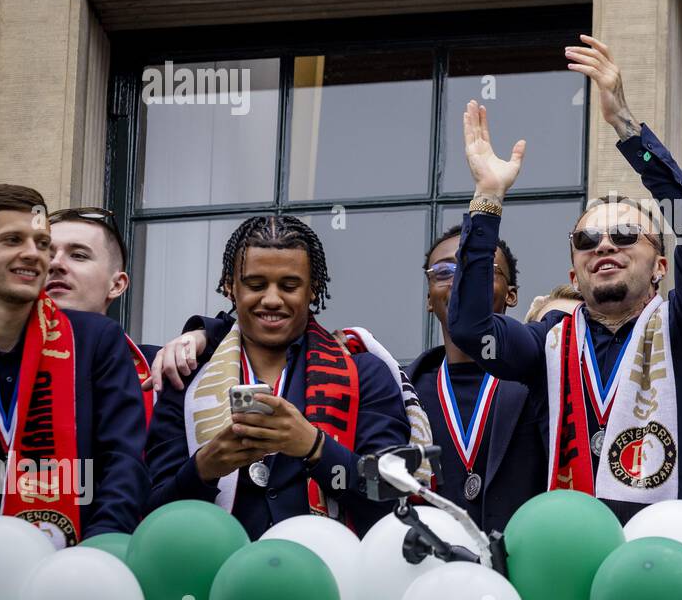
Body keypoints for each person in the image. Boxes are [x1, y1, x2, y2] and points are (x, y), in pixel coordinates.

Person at [447, 36, 682, 522]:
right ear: (573, 274)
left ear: (661, 266)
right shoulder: (547, 345)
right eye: (586, 241)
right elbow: (473, 330)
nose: (604, 245)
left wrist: (626, 127)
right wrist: (488, 198)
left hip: (672, 555)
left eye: (624, 235)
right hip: (571, 556)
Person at [144, 215, 410, 538]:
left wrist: (315, 448)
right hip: (214, 581)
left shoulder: (364, 374)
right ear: (230, 285)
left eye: (289, 286)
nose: (271, 299)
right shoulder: (187, 376)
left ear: (313, 289)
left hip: (330, 579)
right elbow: (152, 518)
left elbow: (393, 500)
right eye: (256, 285)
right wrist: (204, 468)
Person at [0, 185, 148, 545]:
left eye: (41, 243)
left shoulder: (95, 339)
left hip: (73, 565)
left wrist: (94, 553)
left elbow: (122, 465)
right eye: (13, 240)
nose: (35, 255)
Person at [404, 225, 546, 533]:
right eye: (443, 271)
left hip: (523, 569)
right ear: (429, 298)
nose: (461, 279)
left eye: (479, 268)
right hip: (433, 570)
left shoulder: (540, 380)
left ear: (511, 295)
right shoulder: (405, 393)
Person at [45, 207, 158, 425]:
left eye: (78, 255)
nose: (56, 264)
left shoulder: (160, 370)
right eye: (46, 255)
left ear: (116, 285)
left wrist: (201, 333)